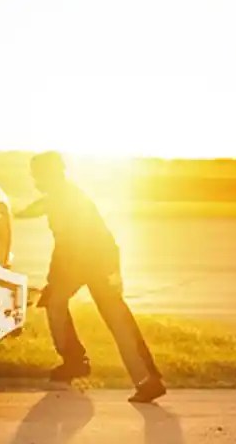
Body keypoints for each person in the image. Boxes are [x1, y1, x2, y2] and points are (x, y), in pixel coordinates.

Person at [15, 151, 166, 403]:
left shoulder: (68, 198)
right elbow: (39, 209)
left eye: (36, 174)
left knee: (117, 320)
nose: (34, 180)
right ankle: (75, 362)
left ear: (48, 173)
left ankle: (148, 382)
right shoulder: (60, 195)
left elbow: (75, 241)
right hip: (81, 263)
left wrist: (110, 271)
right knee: (56, 304)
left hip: (95, 263)